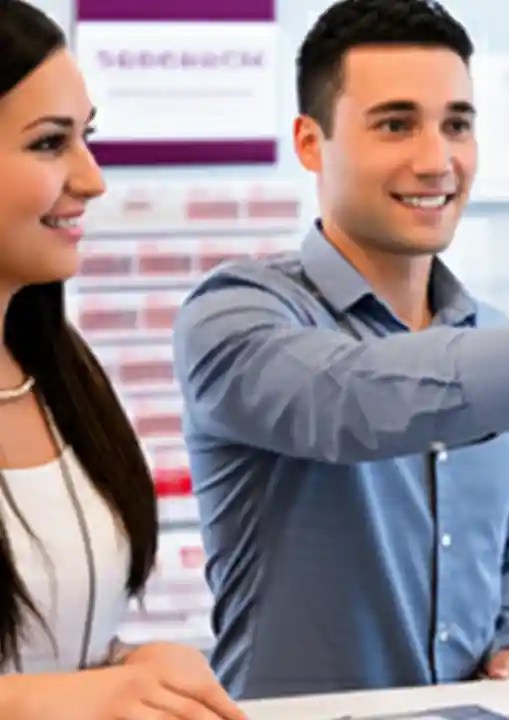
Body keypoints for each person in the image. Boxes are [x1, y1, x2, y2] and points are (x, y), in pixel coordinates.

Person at [172, 0, 509, 701]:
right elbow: (352, 401)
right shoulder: (234, 317)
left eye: (456, 125)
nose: (436, 161)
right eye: (396, 125)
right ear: (311, 143)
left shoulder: (500, 343)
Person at [0, 2, 246, 718]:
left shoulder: (59, 370)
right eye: (50, 143)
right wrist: (75, 697)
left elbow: (41, 646)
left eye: (88, 137)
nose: (92, 178)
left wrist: (129, 663)